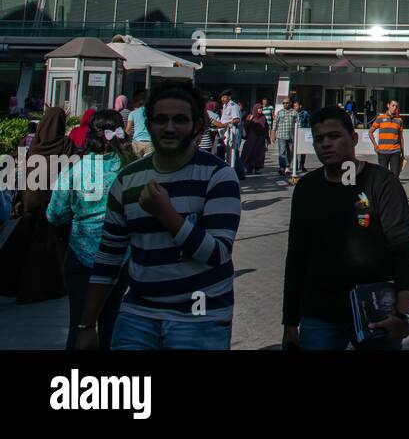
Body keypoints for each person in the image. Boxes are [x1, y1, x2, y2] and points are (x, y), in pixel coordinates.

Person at [75, 80, 241, 350]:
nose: (170, 127)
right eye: (161, 119)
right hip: (139, 314)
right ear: (148, 124)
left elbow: (217, 253)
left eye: (180, 119)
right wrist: (86, 325)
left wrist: (167, 215)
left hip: (200, 317)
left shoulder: (219, 177)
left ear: (197, 126)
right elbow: (108, 257)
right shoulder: (128, 180)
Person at [282, 107, 409, 351]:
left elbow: (403, 248)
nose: (325, 144)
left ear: (354, 138)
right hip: (319, 314)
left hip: (377, 312)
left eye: (334, 136)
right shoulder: (306, 188)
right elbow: (296, 256)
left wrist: (403, 313)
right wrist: (290, 323)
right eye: (319, 139)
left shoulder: (382, 182)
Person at [47, 109, 132, 349]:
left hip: (81, 254)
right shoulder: (130, 170)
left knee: (80, 325)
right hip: (120, 257)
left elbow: (54, 215)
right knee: (111, 324)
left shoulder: (74, 171)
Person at [0, 106, 70, 302]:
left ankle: (18, 284)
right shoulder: (65, 144)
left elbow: (20, 171)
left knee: (27, 243)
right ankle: (45, 285)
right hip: (53, 199)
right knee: (48, 246)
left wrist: (20, 197)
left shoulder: (32, 144)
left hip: (31, 198)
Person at [369, 100, 405, 179]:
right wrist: (375, 145)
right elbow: (370, 132)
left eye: (396, 106)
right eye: (393, 105)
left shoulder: (399, 120)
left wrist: (403, 153)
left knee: (395, 176)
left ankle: (393, 191)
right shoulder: (380, 118)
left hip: (395, 151)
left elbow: (401, 138)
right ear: (388, 105)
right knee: (383, 176)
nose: (394, 108)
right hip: (382, 151)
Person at [241, 102, 270, 174]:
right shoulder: (250, 116)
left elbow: (266, 128)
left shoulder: (263, 117)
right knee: (250, 152)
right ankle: (248, 167)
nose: (260, 110)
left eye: (261, 108)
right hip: (252, 138)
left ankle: (257, 167)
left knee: (259, 153)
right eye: (259, 108)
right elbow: (246, 127)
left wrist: (268, 138)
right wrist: (248, 121)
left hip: (261, 139)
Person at [274, 99, 297, 176]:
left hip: (291, 136)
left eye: (287, 103)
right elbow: (275, 123)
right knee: (282, 152)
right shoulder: (280, 112)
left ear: (290, 103)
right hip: (281, 135)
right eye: (284, 103)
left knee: (290, 152)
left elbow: (298, 124)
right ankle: (282, 167)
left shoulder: (294, 112)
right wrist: (273, 134)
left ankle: (288, 167)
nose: (285, 104)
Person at [125, 90, 150, 158]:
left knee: (136, 165)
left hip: (137, 143)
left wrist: (126, 142)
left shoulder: (132, 113)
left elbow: (128, 130)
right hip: (150, 143)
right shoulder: (152, 113)